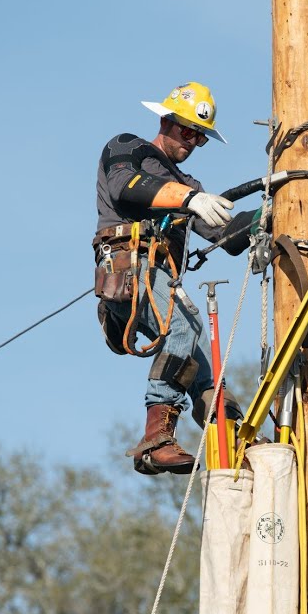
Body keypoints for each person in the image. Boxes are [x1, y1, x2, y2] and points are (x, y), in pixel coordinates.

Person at [92, 81, 255, 475]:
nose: (193, 141)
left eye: (200, 137)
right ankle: (156, 440)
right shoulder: (127, 147)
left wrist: (275, 209)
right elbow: (124, 186)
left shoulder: (187, 185)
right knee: (186, 325)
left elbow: (226, 236)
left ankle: (234, 441)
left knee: (206, 375)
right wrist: (187, 199)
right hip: (130, 266)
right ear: (166, 119)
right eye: (187, 130)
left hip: (159, 275)